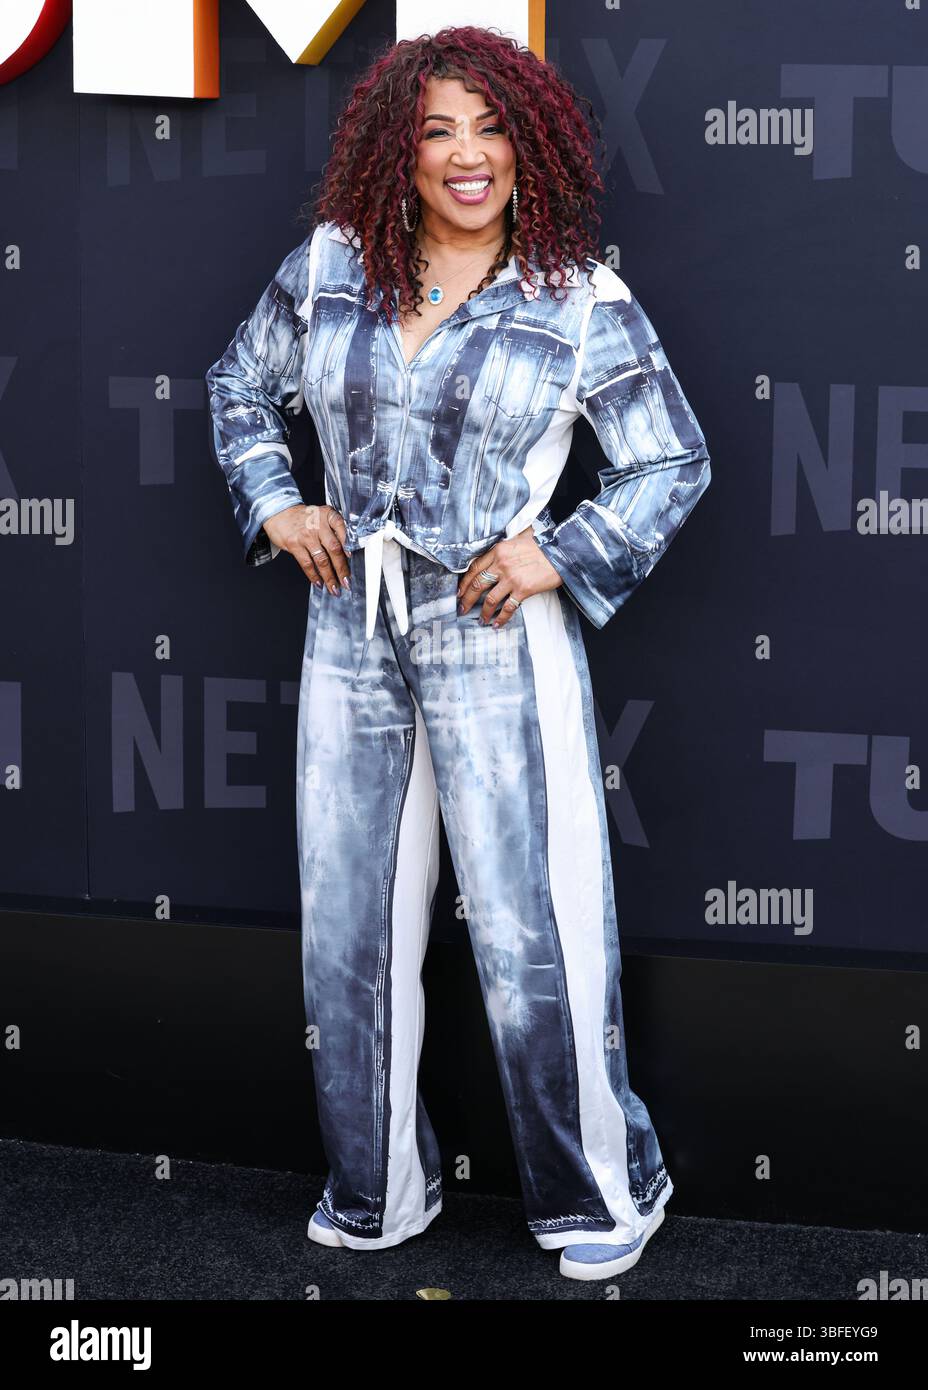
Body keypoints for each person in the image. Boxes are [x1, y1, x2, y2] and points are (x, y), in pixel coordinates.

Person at [205, 25, 711, 1283]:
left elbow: (672, 458)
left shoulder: (575, 297)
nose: (467, 155)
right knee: (347, 934)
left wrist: (561, 552)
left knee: (534, 932)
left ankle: (601, 1193)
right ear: (399, 152)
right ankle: (379, 1189)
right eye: (437, 131)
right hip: (349, 629)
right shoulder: (330, 266)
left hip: (498, 635)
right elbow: (238, 386)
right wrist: (278, 502)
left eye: (490, 129)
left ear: (528, 147)